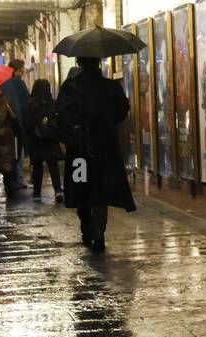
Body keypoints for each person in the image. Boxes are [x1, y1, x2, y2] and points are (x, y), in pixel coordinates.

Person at [56, 56, 135, 253]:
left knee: (81, 187)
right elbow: (122, 112)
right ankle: (99, 233)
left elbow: (62, 115)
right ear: (99, 63)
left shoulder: (71, 87)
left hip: (79, 153)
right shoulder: (111, 87)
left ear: (79, 64)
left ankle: (86, 228)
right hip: (105, 150)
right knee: (101, 192)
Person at [23, 79, 64, 201]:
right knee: (53, 165)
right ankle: (57, 190)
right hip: (50, 139)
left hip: (36, 140)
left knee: (37, 166)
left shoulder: (30, 104)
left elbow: (26, 122)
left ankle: (36, 192)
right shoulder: (53, 103)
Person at [1, 59, 31, 175]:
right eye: (22, 69)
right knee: (19, 149)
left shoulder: (3, 83)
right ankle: (17, 174)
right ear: (17, 69)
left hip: (5, 122)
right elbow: (26, 102)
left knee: (9, 150)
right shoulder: (19, 83)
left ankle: (9, 174)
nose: (23, 71)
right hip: (18, 122)